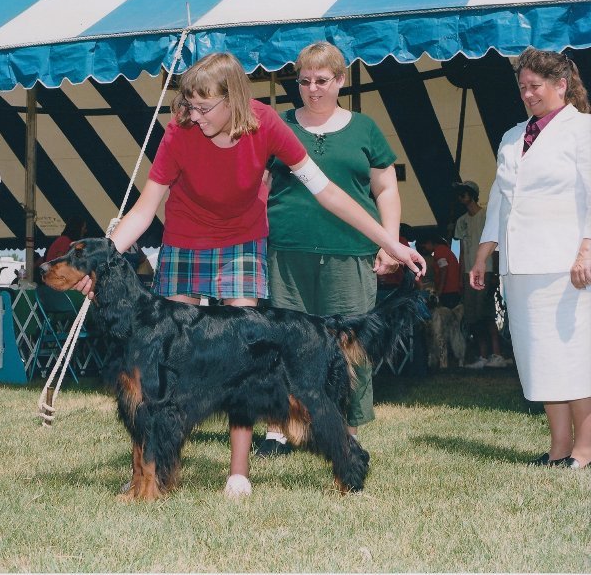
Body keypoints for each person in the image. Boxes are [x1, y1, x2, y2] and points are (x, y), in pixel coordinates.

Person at [75, 52, 425, 497]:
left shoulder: (266, 125)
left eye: (204, 107)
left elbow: (329, 193)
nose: (194, 116)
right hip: (184, 239)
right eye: (190, 106)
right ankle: (156, 469)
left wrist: (391, 241)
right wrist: (103, 262)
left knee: (241, 360)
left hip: (241, 241)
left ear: (233, 99)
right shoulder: (179, 132)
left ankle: (238, 472)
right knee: (163, 368)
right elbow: (144, 210)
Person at [258, 41, 405, 456]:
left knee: (350, 343)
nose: (312, 89)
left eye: (321, 80)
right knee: (282, 342)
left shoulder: (365, 129)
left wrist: (389, 242)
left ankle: (348, 431)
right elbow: (259, 187)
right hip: (285, 252)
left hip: (351, 253)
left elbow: (386, 188)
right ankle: (278, 430)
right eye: (304, 81)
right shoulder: (278, 125)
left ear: (340, 80)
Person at [469, 47, 591, 470]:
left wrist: (587, 249)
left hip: (566, 266)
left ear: (561, 85)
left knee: (572, 357)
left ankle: (584, 449)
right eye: (522, 87)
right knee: (539, 358)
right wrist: (483, 253)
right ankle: (558, 446)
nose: (527, 94)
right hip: (519, 267)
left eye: (535, 86)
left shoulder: (583, 129)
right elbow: (501, 200)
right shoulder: (511, 137)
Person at [453, 180, 509, 369]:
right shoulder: (461, 221)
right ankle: (483, 355)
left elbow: (496, 246)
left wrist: (495, 273)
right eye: (459, 194)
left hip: (487, 271)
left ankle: (497, 354)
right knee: (473, 316)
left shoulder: (487, 216)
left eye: (464, 193)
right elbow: (462, 252)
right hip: (468, 273)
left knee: (487, 314)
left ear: (472, 194)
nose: (460, 197)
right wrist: (461, 277)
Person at [418, 232, 461, 308]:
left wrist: (439, 291)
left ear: (429, 242)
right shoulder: (443, 250)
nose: (425, 250)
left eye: (424, 247)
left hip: (448, 290)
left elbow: (443, 270)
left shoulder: (439, 251)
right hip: (451, 289)